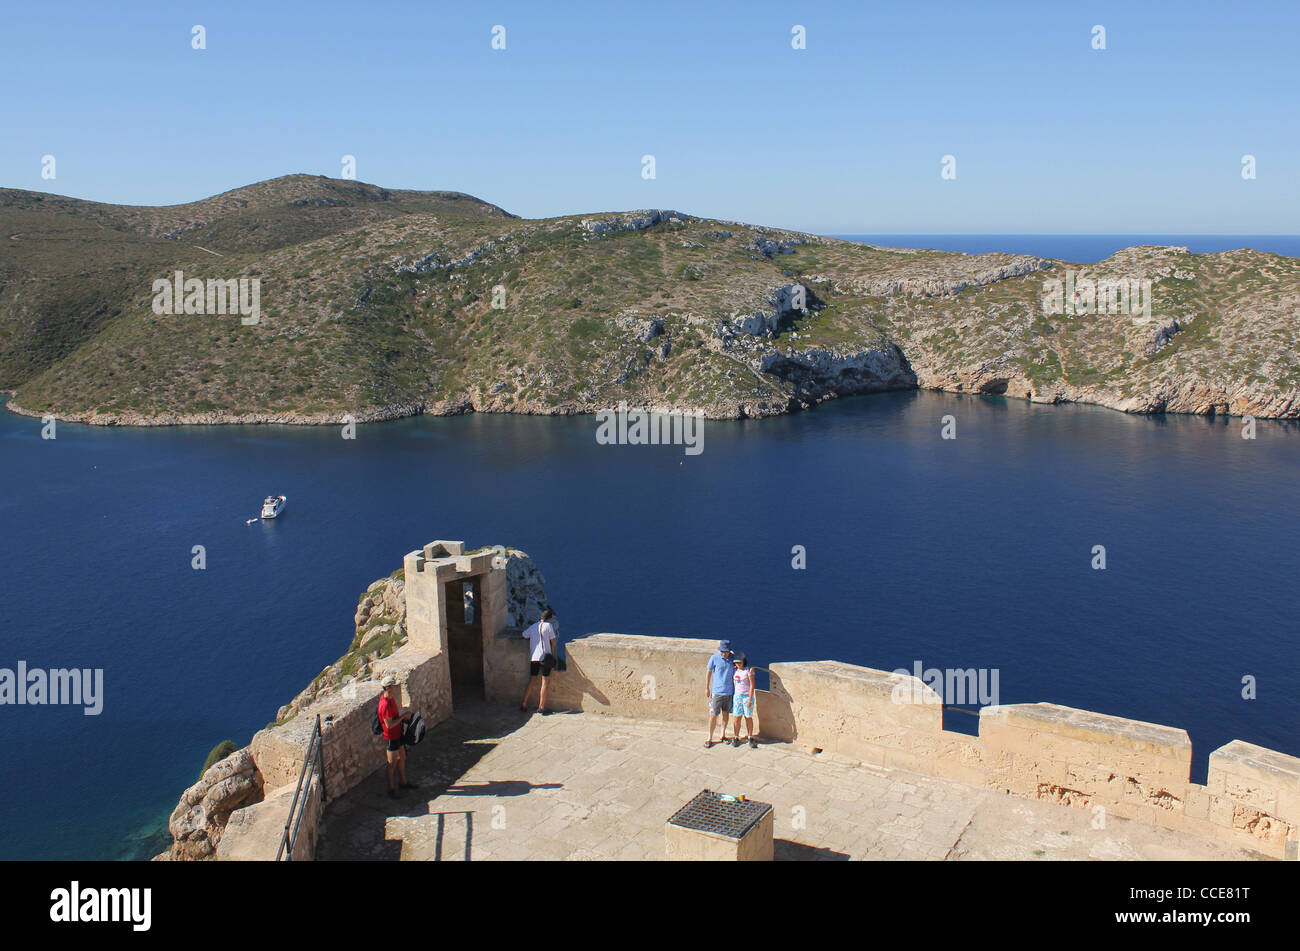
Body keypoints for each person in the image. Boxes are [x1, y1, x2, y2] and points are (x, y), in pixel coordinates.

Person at [378, 674, 418, 799]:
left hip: (398, 734)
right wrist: (403, 717)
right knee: (391, 764)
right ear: (388, 688)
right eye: (394, 686)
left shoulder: (390, 699)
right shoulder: (385, 704)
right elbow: (389, 725)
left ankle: (403, 782)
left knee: (402, 757)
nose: (396, 688)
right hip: (391, 737)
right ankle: (391, 789)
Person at [520, 607, 559, 714]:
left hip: (534, 658)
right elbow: (554, 642)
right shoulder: (549, 626)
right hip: (545, 658)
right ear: (549, 619)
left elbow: (523, 635)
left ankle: (524, 703)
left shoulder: (533, 626)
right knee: (545, 682)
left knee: (532, 680)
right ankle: (541, 707)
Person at [704, 640, 735, 748]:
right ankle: (709, 737)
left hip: (729, 692)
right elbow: (708, 672)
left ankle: (723, 734)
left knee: (725, 714)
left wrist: (735, 655)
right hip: (717, 692)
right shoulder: (714, 658)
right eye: (722, 651)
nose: (724, 653)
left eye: (726, 651)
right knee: (713, 716)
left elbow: (743, 663)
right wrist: (707, 687)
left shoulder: (733, 659)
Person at [730, 653, 758, 748]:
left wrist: (750, 699)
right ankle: (736, 736)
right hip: (737, 696)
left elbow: (752, 685)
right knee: (737, 717)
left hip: (746, 697)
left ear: (743, 662)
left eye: (740, 662)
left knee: (748, 717)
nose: (738, 664)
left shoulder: (748, 671)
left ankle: (750, 736)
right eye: (736, 662)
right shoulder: (735, 671)